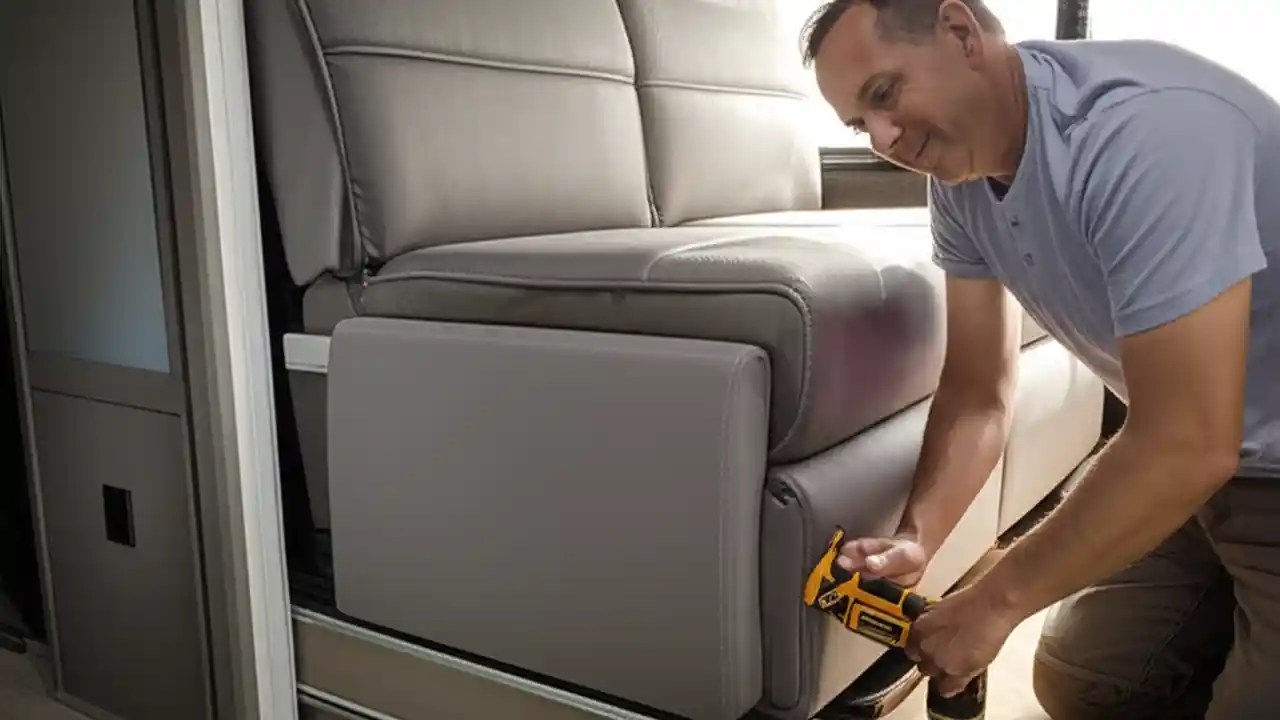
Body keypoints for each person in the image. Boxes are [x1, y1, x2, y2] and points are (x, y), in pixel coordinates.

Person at [800, 1, 1279, 718]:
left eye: (884, 94)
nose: (882, 139)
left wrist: (993, 604)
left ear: (961, 34)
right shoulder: (960, 186)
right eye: (858, 125)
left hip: (1243, 457)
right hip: (1212, 469)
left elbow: (1186, 442)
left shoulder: (1147, 135)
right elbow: (976, 389)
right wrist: (917, 538)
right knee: (1083, 682)